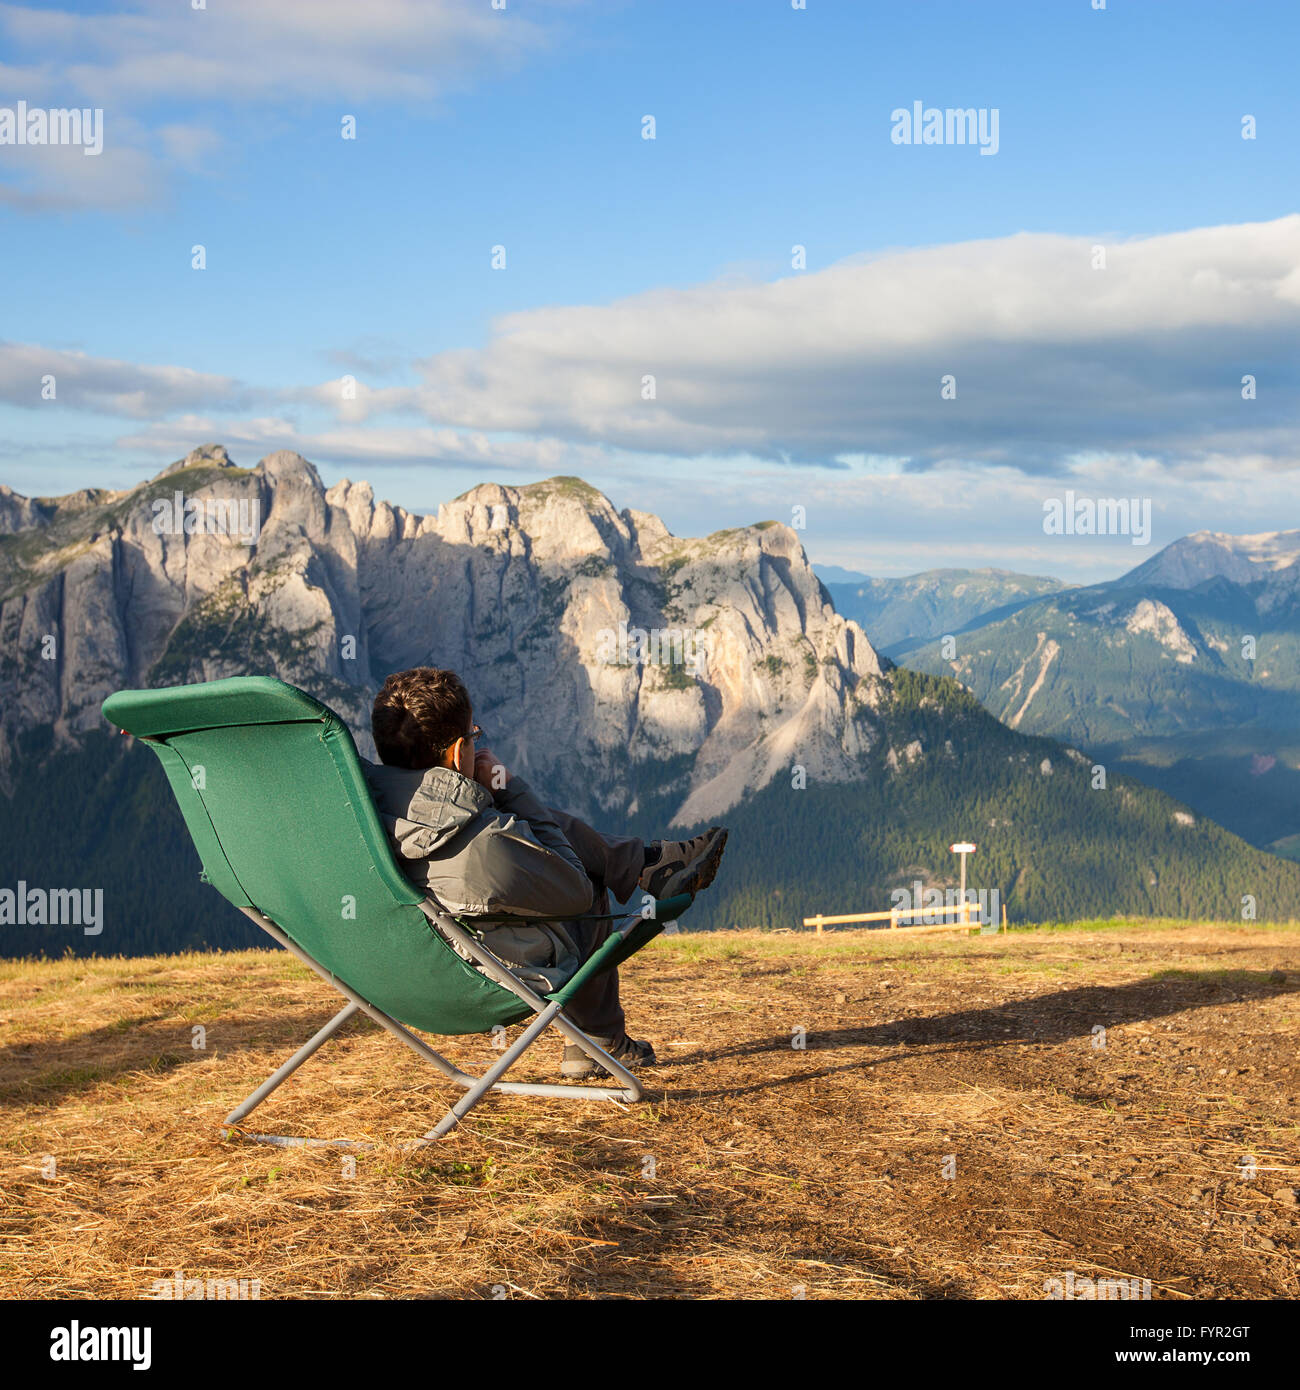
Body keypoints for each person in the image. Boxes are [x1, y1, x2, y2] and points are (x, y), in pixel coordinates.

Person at [362, 667, 728, 1079]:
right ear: (460, 749)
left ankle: (645, 864)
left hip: (385, 973)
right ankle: (601, 1040)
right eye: (474, 736)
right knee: (586, 877)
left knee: (530, 842)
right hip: (469, 979)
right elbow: (574, 888)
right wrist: (509, 787)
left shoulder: (358, 817)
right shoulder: (486, 844)